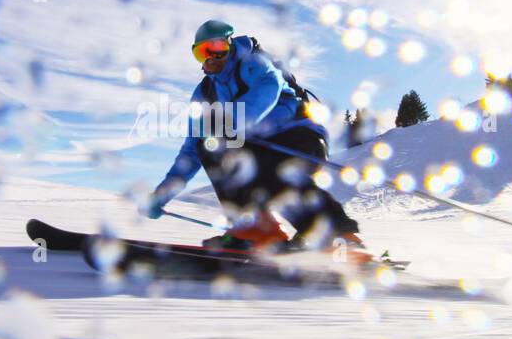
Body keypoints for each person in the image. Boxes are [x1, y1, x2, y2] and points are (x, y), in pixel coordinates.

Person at [144, 19, 362, 251]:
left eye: (218, 48)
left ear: (230, 44)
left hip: (300, 138)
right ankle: (256, 228)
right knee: (208, 147)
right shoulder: (205, 93)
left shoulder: (253, 63)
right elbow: (191, 149)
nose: (211, 56)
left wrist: (230, 124)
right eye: (202, 52)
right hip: (257, 147)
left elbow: (268, 89)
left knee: (273, 169)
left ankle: (340, 234)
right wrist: (161, 195)